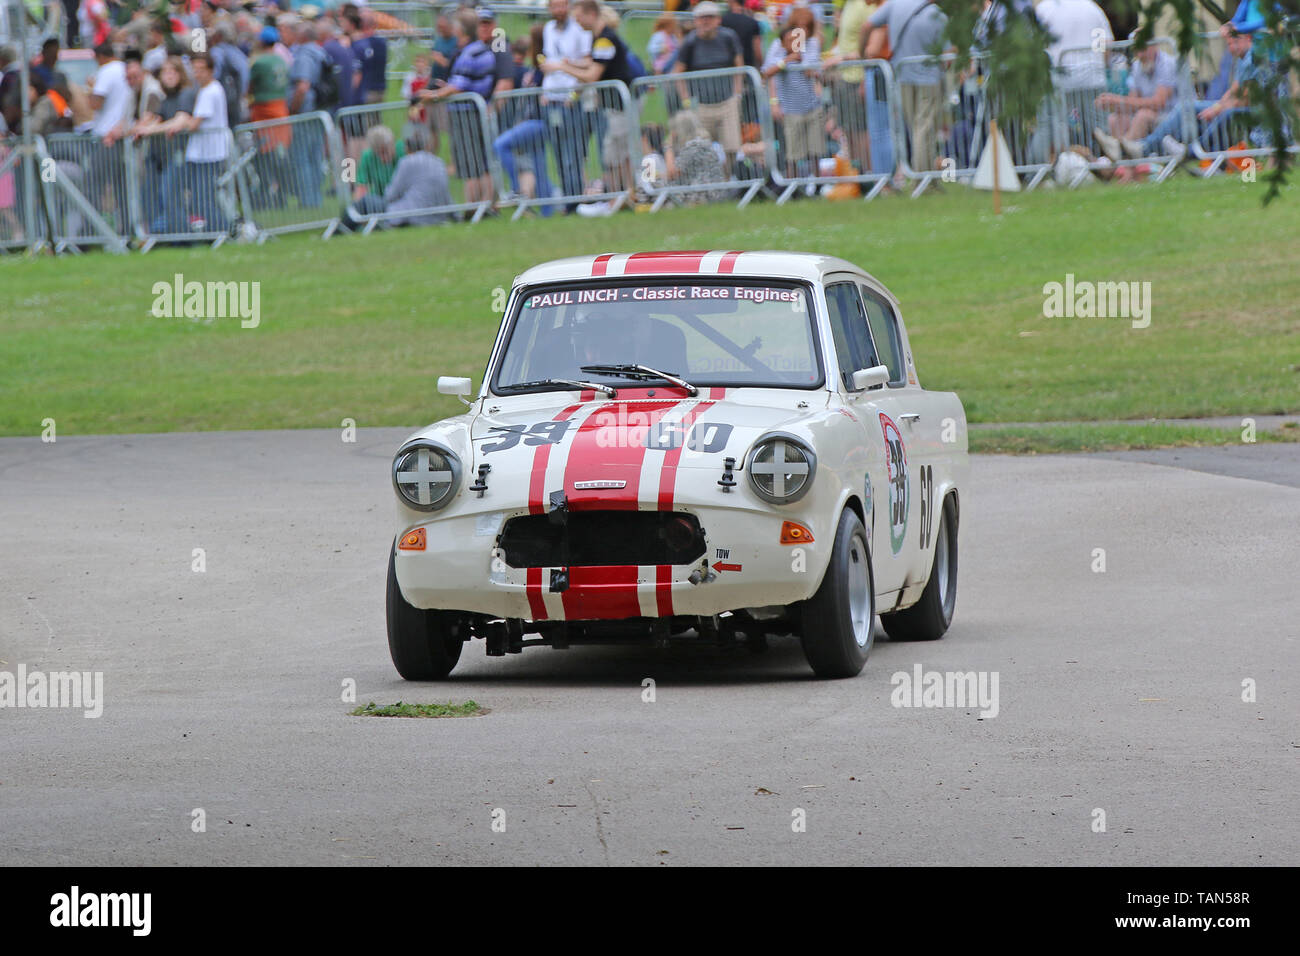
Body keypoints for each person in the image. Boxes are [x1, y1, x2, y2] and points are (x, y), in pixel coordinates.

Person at [421, 7, 514, 206]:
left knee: (474, 164)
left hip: (476, 112)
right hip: (477, 111)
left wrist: (436, 94)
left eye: (487, 23)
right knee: (483, 162)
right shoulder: (478, 49)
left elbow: (502, 80)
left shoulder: (491, 47)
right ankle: (487, 205)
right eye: (481, 23)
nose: (484, 27)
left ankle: (476, 207)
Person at [559, 0, 635, 196]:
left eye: (579, 18)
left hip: (620, 105)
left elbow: (592, 76)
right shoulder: (599, 38)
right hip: (614, 105)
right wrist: (575, 87)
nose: (577, 22)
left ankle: (622, 195)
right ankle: (627, 195)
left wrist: (562, 67)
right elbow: (594, 64)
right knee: (619, 154)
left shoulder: (604, 39)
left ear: (591, 14)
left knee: (614, 155)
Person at [866, 0, 948, 172]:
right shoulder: (938, 14)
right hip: (930, 80)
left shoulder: (894, 4)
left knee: (915, 129)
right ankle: (922, 179)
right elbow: (947, 55)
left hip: (902, 78)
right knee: (924, 130)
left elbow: (867, 25)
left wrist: (860, 55)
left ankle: (922, 177)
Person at [1034, 0, 1112, 159]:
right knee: (1099, 129)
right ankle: (1107, 165)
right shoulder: (1092, 8)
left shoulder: (1044, 9)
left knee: (1050, 126)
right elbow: (1105, 44)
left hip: (1057, 77)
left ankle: (1041, 170)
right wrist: (1099, 63)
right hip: (1092, 76)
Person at [673, 2, 744, 174]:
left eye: (710, 17)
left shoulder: (729, 37)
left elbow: (739, 66)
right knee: (700, 147)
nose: (706, 22)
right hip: (702, 105)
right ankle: (708, 181)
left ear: (718, 19)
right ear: (696, 21)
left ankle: (726, 179)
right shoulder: (689, 42)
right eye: (702, 18)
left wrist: (737, 93)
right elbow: (678, 72)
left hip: (727, 101)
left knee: (732, 146)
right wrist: (686, 100)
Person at [492, 27, 556, 215]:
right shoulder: (535, 67)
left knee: (500, 145)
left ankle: (516, 189)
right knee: (539, 167)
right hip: (533, 121)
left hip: (539, 121)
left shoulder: (545, 66)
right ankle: (548, 212)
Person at [539, 0, 593, 207]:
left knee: (573, 154)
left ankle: (575, 201)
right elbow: (549, 61)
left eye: (562, 5)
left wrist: (566, 68)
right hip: (550, 99)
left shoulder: (580, 29)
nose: (559, 10)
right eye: (555, 6)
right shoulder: (548, 29)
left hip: (571, 100)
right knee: (559, 155)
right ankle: (568, 202)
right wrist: (545, 89)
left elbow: (588, 61)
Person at [132, 56, 195, 234]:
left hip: (178, 156)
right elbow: (156, 120)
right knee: (152, 195)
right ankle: (160, 235)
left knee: (170, 196)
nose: (168, 75)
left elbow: (179, 121)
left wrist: (149, 131)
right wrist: (139, 130)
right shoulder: (165, 99)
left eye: (173, 71)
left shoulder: (186, 93)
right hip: (161, 157)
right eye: (165, 72)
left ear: (180, 74)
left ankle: (181, 237)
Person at [172, 52, 231, 233]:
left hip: (208, 153)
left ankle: (220, 229)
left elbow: (195, 124)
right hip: (207, 152)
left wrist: (180, 121)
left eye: (201, 70)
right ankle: (218, 228)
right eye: (195, 70)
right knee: (203, 195)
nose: (197, 74)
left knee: (202, 196)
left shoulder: (209, 92)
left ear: (211, 71)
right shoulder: (210, 89)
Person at [1092, 43, 1179, 161]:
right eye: (1136, 50)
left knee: (1142, 116)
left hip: (1173, 115)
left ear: (1154, 46)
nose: (1139, 55)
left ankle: (1121, 154)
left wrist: (1118, 100)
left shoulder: (1167, 63)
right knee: (1116, 118)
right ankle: (1124, 161)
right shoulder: (1137, 65)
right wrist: (1113, 104)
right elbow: (1132, 102)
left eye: (1143, 50)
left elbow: (1159, 102)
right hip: (1152, 113)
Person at [763, 13, 823, 178]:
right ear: (782, 43)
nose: (795, 43)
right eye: (790, 40)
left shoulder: (809, 51)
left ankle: (817, 185)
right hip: (790, 111)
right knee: (793, 153)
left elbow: (815, 72)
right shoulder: (779, 56)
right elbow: (766, 73)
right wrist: (787, 60)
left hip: (812, 107)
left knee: (815, 151)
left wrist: (802, 62)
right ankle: (792, 185)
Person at [822, 0, 879, 172]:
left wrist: (863, 78)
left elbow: (871, 48)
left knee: (862, 134)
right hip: (845, 79)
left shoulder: (866, 5)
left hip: (859, 78)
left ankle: (872, 176)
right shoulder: (848, 5)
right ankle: (859, 177)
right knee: (850, 134)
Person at [284, 16, 329, 207]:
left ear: (300, 36)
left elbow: (302, 87)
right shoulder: (321, 52)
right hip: (318, 111)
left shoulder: (304, 55)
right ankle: (315, 199)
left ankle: (309, 201)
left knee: (302, 158)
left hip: (305, 113)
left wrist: (293, 109)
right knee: (314, 156)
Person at [246, 28, 292, 211]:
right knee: (280, 155)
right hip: (281, 108)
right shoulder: (281, 59)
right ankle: (282, 194)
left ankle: (265, 194)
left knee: (264, 156)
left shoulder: (260, 63)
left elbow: (249, 87)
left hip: (264, 111)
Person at [382, 125, 453, 226]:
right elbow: (446, 194)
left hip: (413, 215)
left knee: (367, 204)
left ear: (407, 148)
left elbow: (391, 195)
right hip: (439, 215)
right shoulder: (438, 161)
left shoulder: (406, 162)